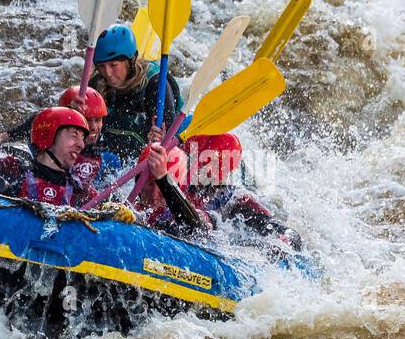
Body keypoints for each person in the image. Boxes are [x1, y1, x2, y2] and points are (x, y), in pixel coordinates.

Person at [183, 133, 303, 250]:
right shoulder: (179, 176)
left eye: (227, 171)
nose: (225, 176)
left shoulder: (234, 198)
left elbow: (271, 223)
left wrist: (287, 235)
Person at [89, 24, 184, 161]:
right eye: (102, 66)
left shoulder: (156, 85)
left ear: (131, 60)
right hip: (115, 150)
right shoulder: (97, 83)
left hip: (146, 149)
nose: (108, 73)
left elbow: (168, 137)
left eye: (113, 65)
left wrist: (160, 138)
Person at [130, 143, 212, 237]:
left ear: (175, 187)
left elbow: (197, 231)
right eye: (150, 184)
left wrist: (163, 178)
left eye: (161, 187)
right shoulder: (131, 207)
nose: (154, 194)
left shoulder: (192, 214)